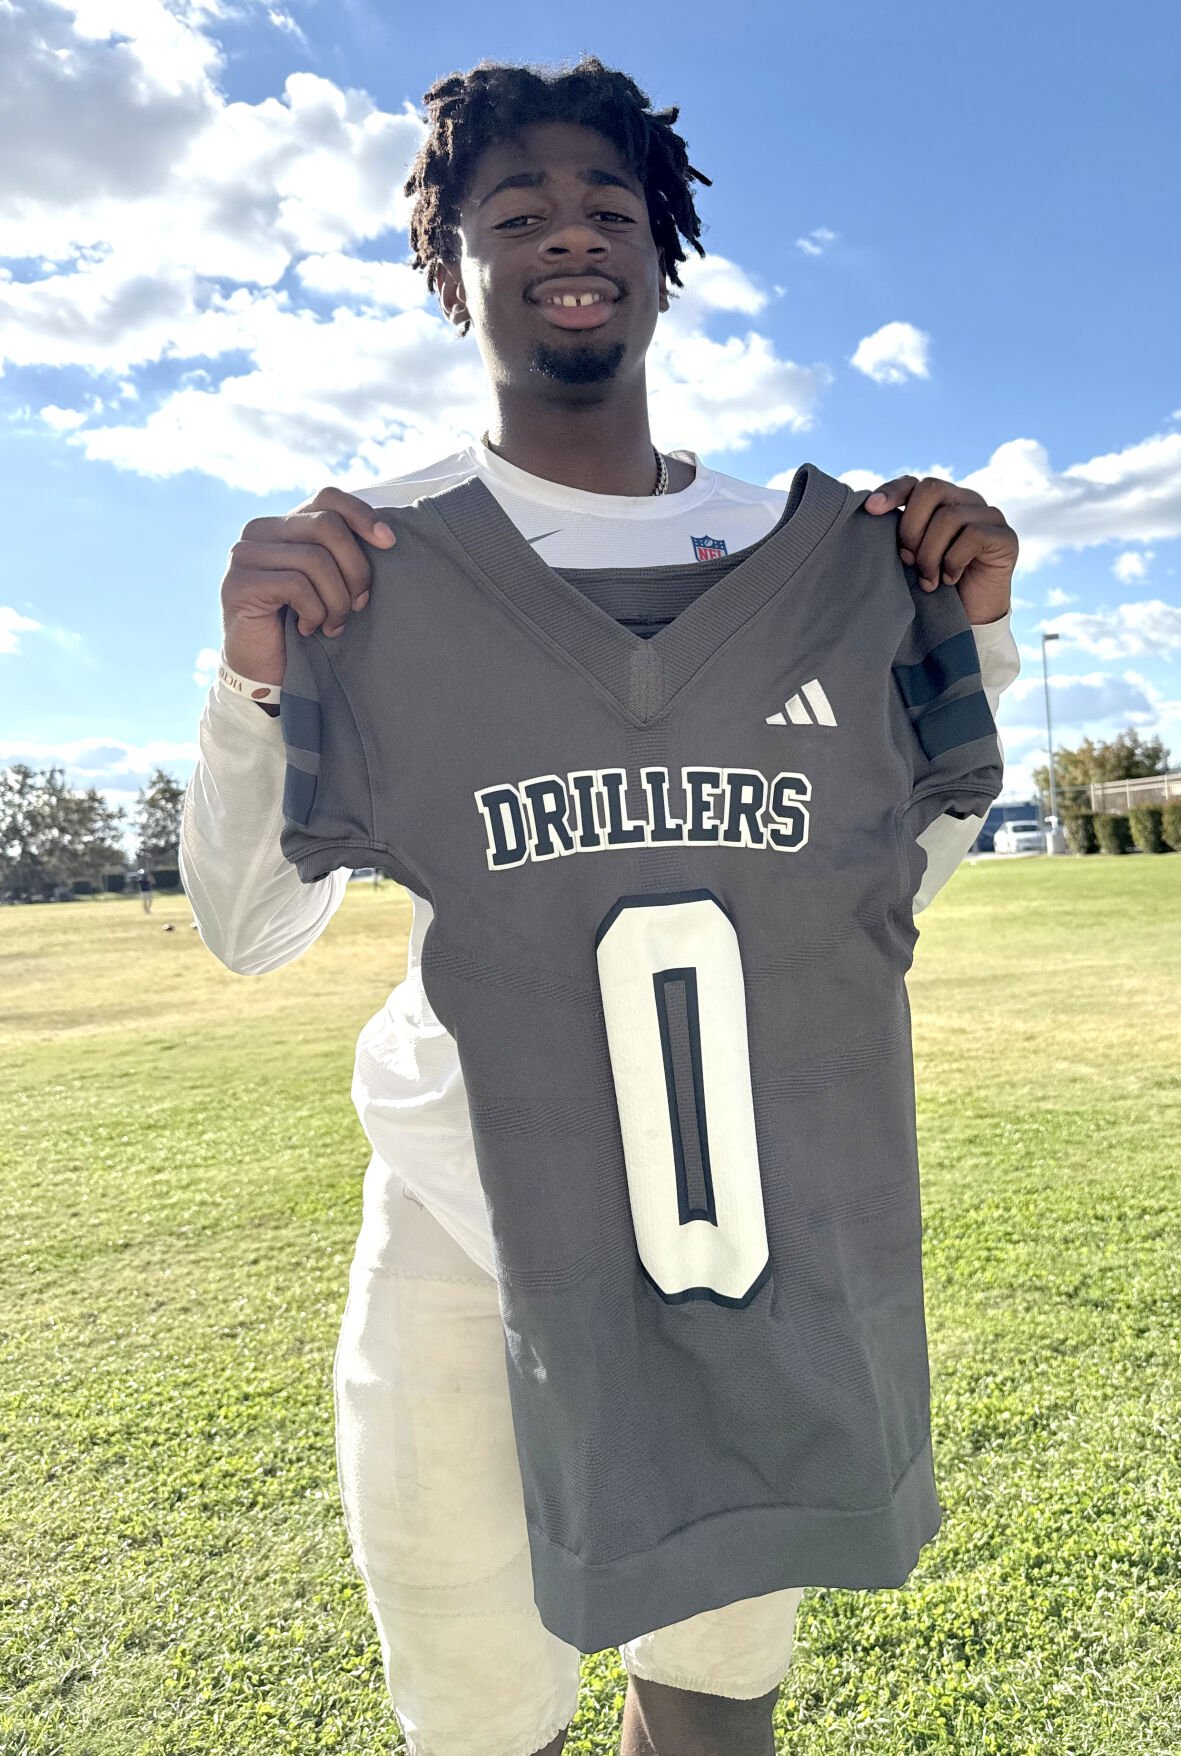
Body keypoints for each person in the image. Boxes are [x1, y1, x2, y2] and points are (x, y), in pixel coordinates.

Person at [181, 56, 1021, 1756]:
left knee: (712, 1707)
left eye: (604, 208)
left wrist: (971, 634)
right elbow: (251, 924)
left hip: (750, 1236)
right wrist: (251, 681)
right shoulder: (375, 560)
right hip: (463, 1232)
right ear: (449, 266)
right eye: (515, 214)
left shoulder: (821, 558)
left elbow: (878, 889)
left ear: (660, 250)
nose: (568, 236)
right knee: (480, 1719)